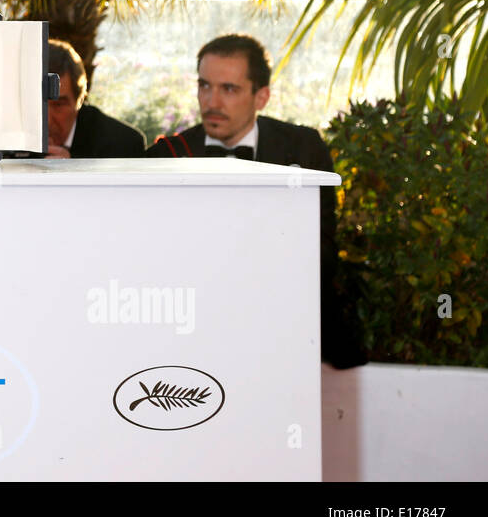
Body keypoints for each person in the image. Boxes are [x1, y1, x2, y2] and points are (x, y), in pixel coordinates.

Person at [145, 33, 366, 368]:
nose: (211, 101)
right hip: (190, 329)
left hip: (286, 326)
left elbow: (320, 248)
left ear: (261, 97)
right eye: (204, 85)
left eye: (228, 89)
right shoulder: (168, 155)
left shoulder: (303, 148)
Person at [46, 39, 145, 158]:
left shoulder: (121, 144)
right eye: (36, 105)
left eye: (58, 105)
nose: (47, 120)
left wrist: (72, 171)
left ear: (80, 102)